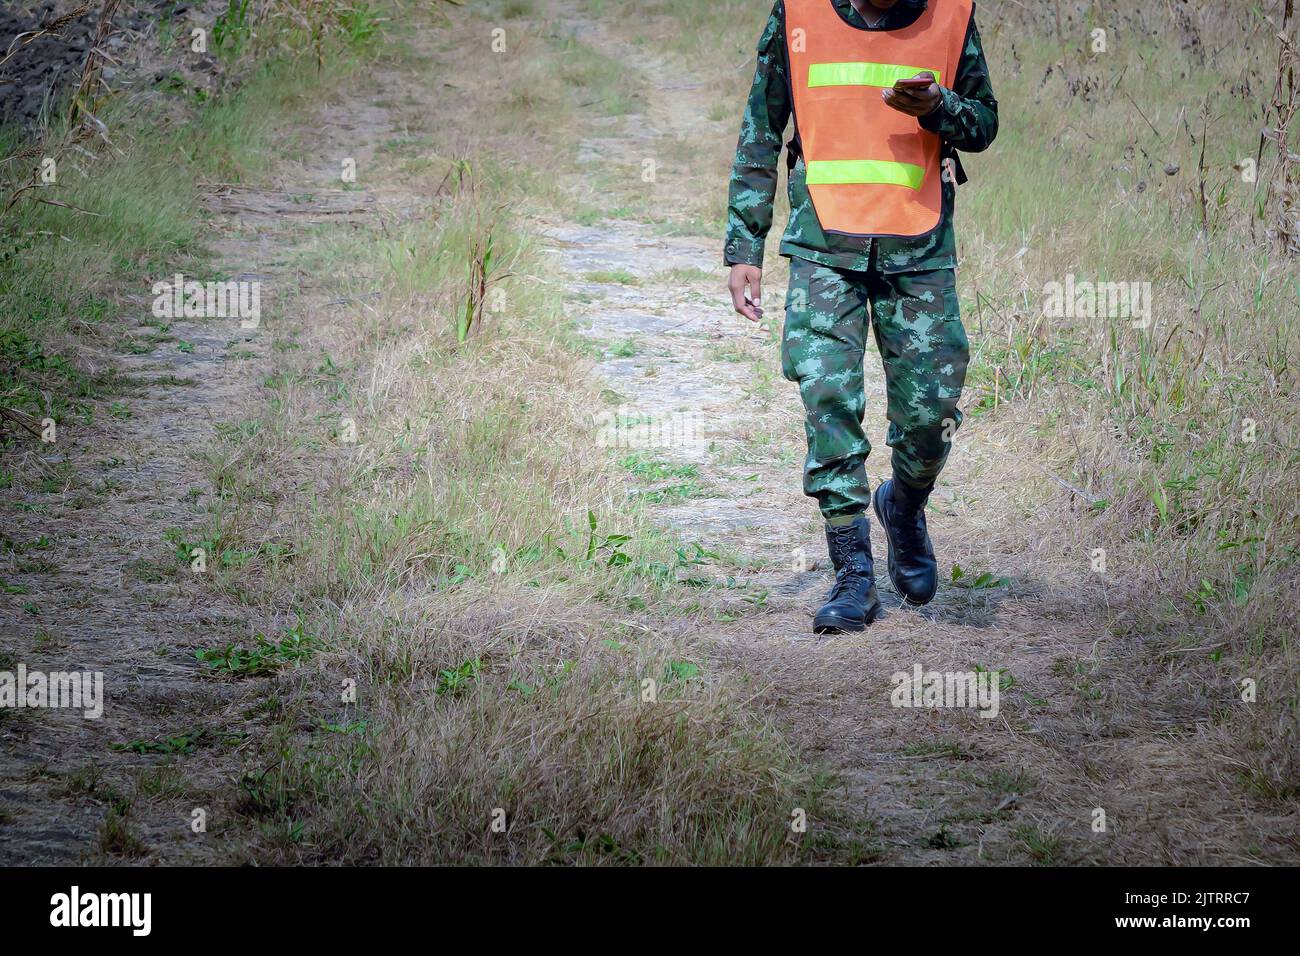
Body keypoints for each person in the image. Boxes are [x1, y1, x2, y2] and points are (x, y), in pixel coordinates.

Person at [725, 0, 998, 633]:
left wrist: (939, 110)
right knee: (829, 402)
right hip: (824, 248)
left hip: (919, 249)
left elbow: (983, 125)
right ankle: (852, 571)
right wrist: (746, 245)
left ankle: (903, 506)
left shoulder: (952, 16)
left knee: (930, 414)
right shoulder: (799, 13)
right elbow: (762, 127)